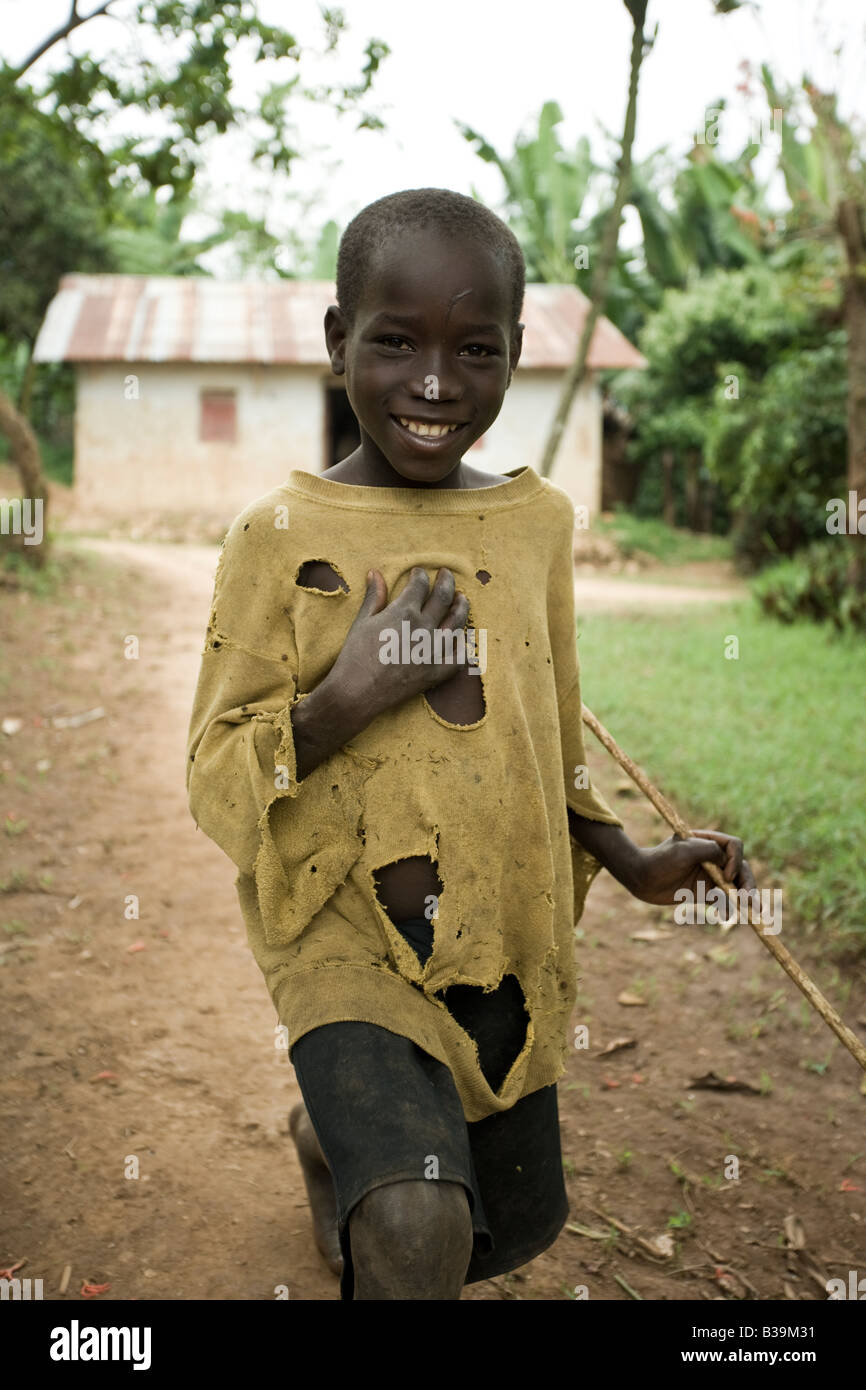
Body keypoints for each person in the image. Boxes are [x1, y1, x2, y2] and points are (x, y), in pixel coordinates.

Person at [186, 187, 756, 1301]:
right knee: (413, 1232)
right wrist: (348, 695)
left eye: (474, 350)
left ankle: (327, 1137)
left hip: (500, 928)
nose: (436, 384)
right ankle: (368, 1162)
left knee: (513, 1227)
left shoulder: (532, 527)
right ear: (338, 341)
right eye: (395, 342)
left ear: (514, 356)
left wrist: (630, 857)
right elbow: (213, 773)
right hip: (340, 939)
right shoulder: (275, 536)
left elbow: (550, 733)